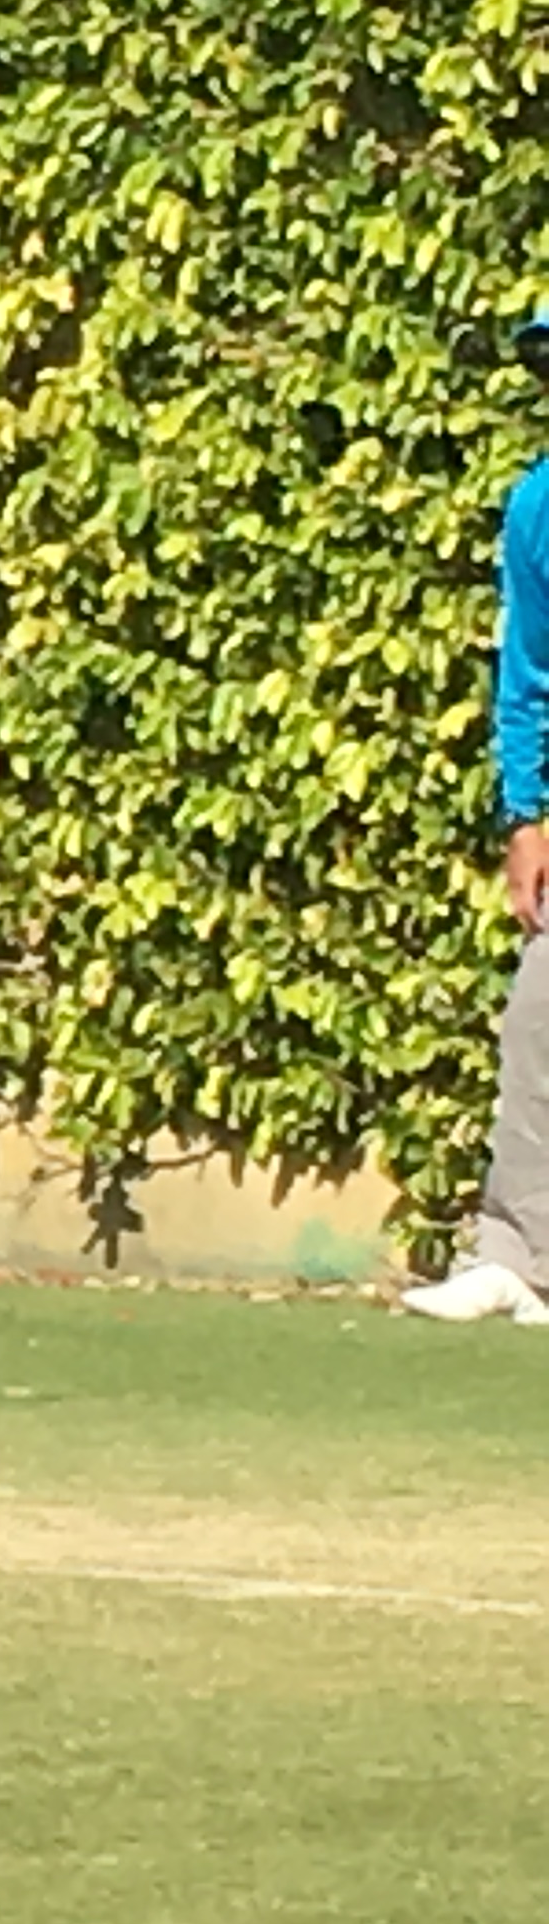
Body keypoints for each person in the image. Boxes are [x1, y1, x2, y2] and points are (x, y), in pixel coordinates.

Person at [402, 380, 549, 1322]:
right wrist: (527, 814)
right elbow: (530, 670)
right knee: (538, 1021)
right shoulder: (539, 504)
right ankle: (519, 1258)